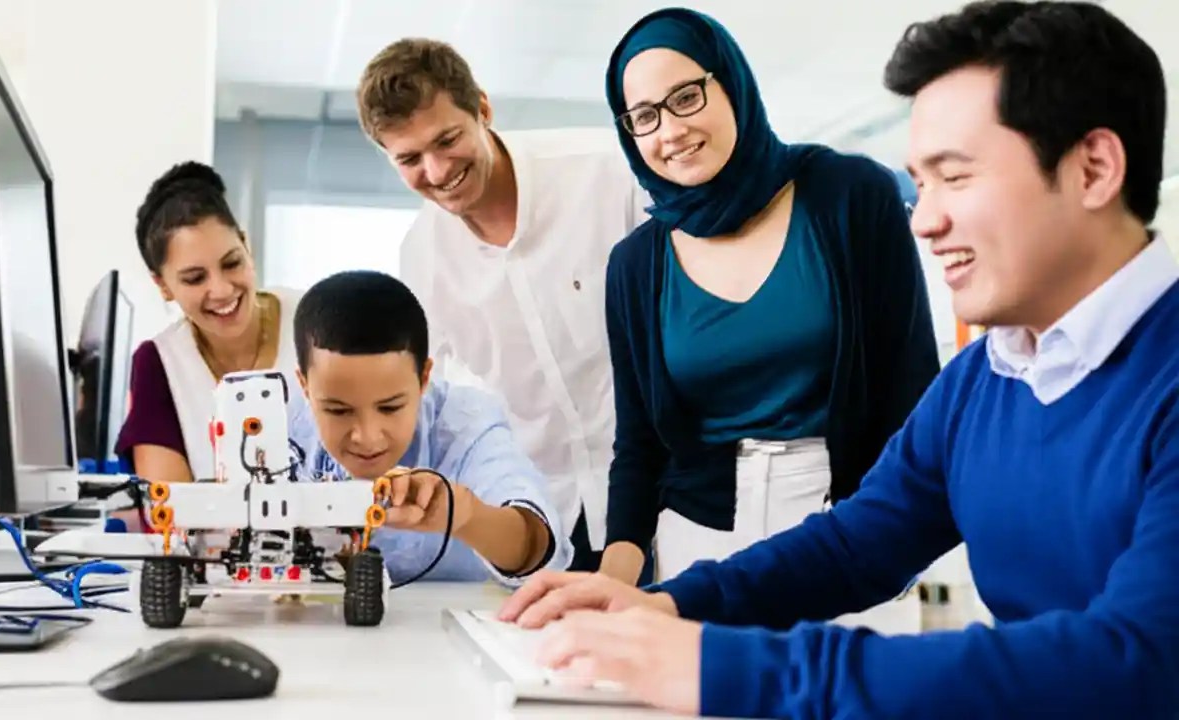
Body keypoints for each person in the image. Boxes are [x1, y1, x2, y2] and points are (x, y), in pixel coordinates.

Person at [497, 2, 1178, 718]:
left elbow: (1137, 661)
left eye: (956, 177)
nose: (924, 218)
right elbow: (861, 541)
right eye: (923, 181)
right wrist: (667, 604)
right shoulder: (986, 380)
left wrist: (729, 668)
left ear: (1094, 169)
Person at [593, 7, 940, 594]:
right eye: (643, 117)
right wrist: (612, 581)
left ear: (729, 83)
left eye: (685, 97)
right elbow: (639, 446)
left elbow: (910, 389)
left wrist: (895, 538)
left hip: (846, 525)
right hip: (697, 544)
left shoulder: (851, 197)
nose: (669, 131)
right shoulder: (635, 264)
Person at [355, 39, 649, 577]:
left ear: (483, 110)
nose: (438, 170)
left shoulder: (607, 175)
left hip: (664, 496)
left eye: (447, 140)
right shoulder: (422, 257)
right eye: (410, 159)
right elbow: (428, 400)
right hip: (550, 520)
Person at [291, 270, 571, 585]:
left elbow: (537, 547)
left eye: (390, 407)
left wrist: (465, 515)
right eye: (338, 410)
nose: (367, 437)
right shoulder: (271, 425)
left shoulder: (468, 427)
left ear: (424, 378)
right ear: (304, 385)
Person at [116, 162, 309, 484]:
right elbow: (168, 509)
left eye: (232, 263)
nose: (220, 290)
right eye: (194, 278)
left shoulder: (316, 321)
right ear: (163, 285)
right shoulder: (160, 364)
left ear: (247, 247)